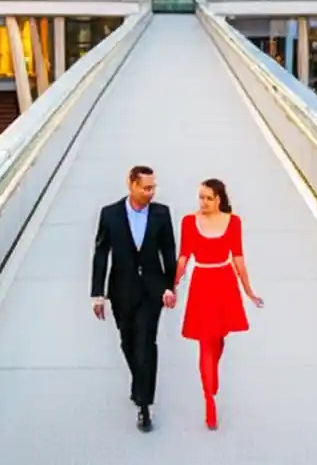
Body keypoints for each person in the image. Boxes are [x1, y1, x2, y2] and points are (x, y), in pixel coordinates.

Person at [91, 165, 177, 433]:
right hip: (122, 291)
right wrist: (98, 294)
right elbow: (101, 253)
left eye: (153, 188)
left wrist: (169, 287)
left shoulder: (161, 213)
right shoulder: (110, 214)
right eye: (146, 188)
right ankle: (138, 382)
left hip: (152, 291)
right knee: (127, 341)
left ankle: (144, 405)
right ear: (131, 184)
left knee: (146, 345)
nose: (151, 192)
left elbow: (169, 251)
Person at [174, 178, 263, 430]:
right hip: (202, 283)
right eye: (200, 197)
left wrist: (249, 291)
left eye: (208, 198)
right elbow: (183, 257)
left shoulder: (233, 222)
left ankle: (211, 376)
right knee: (206, 341)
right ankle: (209, 400)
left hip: (224, 283)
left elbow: (238, 258)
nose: (203, 202)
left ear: (218, 200)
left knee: (219, 337)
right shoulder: (188, 222)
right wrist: (173, 285)